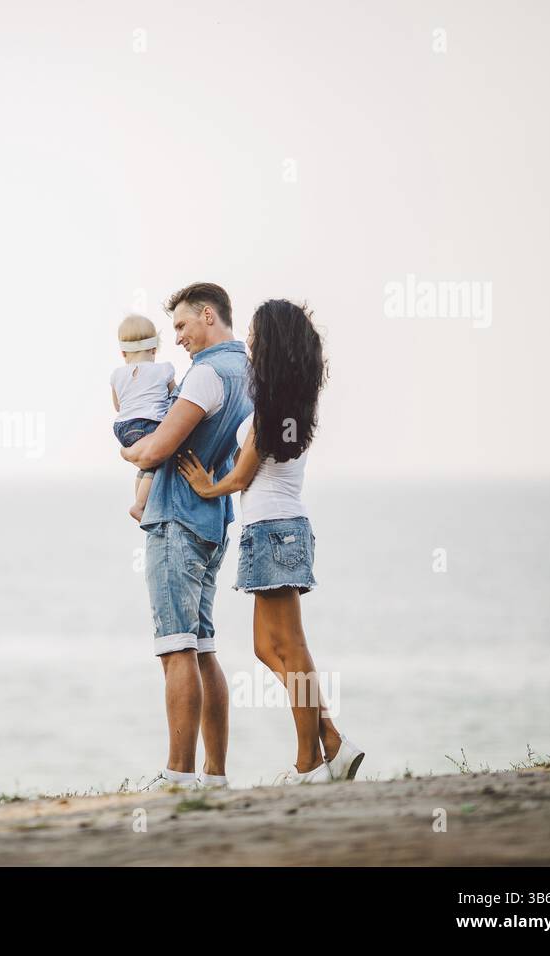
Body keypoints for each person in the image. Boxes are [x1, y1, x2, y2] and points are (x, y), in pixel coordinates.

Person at [175, 298, 365, 784]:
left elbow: (241, 477)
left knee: (290, 648)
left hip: (273, 530)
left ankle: (311, 761)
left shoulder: (273, 411)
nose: (251, 345)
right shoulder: (289, 403)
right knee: (268, 646)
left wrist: (205, 487)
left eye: (257, 338)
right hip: (281, 530)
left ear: (273, 345)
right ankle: (331, 740)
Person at [120, 283, 252, 789]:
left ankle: (178, 775)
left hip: (177, 519)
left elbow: (157, 448)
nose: (176, 339)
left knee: (175, 647)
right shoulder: (248, 372)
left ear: (206, 315)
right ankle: (214, 776)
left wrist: (132, 453)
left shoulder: (207, 374)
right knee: (202, 647)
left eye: (180, 326)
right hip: (213, 516)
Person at [110, 314, 176, 521]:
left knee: (145, 465)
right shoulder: (163, 369)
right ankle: (139, 505)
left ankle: (139, 503)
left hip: (122, 426)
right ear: (154, 349)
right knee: (157, 462)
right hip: (149, 423)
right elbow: (176, 399)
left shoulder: (116, 375)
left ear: (123, 353)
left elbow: (118, 405)